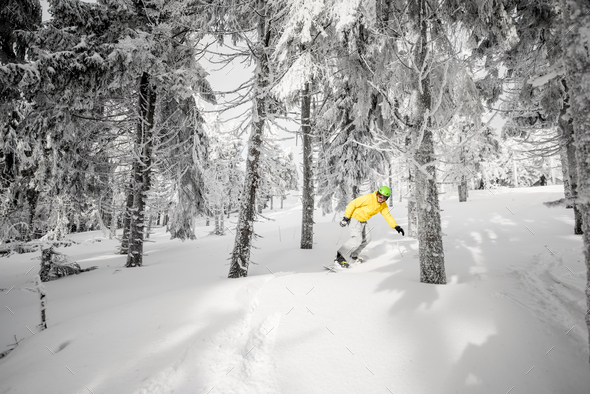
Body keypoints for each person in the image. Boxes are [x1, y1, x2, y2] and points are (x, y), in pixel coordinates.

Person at [335, 186, 404, 268]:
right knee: (356, 239)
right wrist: (346, 217)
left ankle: (353, 255)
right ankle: (340, 257)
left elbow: (387, 215)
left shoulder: (383, 205)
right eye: (380, 196)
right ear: (378, 193)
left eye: (384, 198)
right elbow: (353, 204)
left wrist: (396, 226)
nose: (381, 199)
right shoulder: (369, 198)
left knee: (367, 238)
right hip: (354, 217)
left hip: (363, 220)